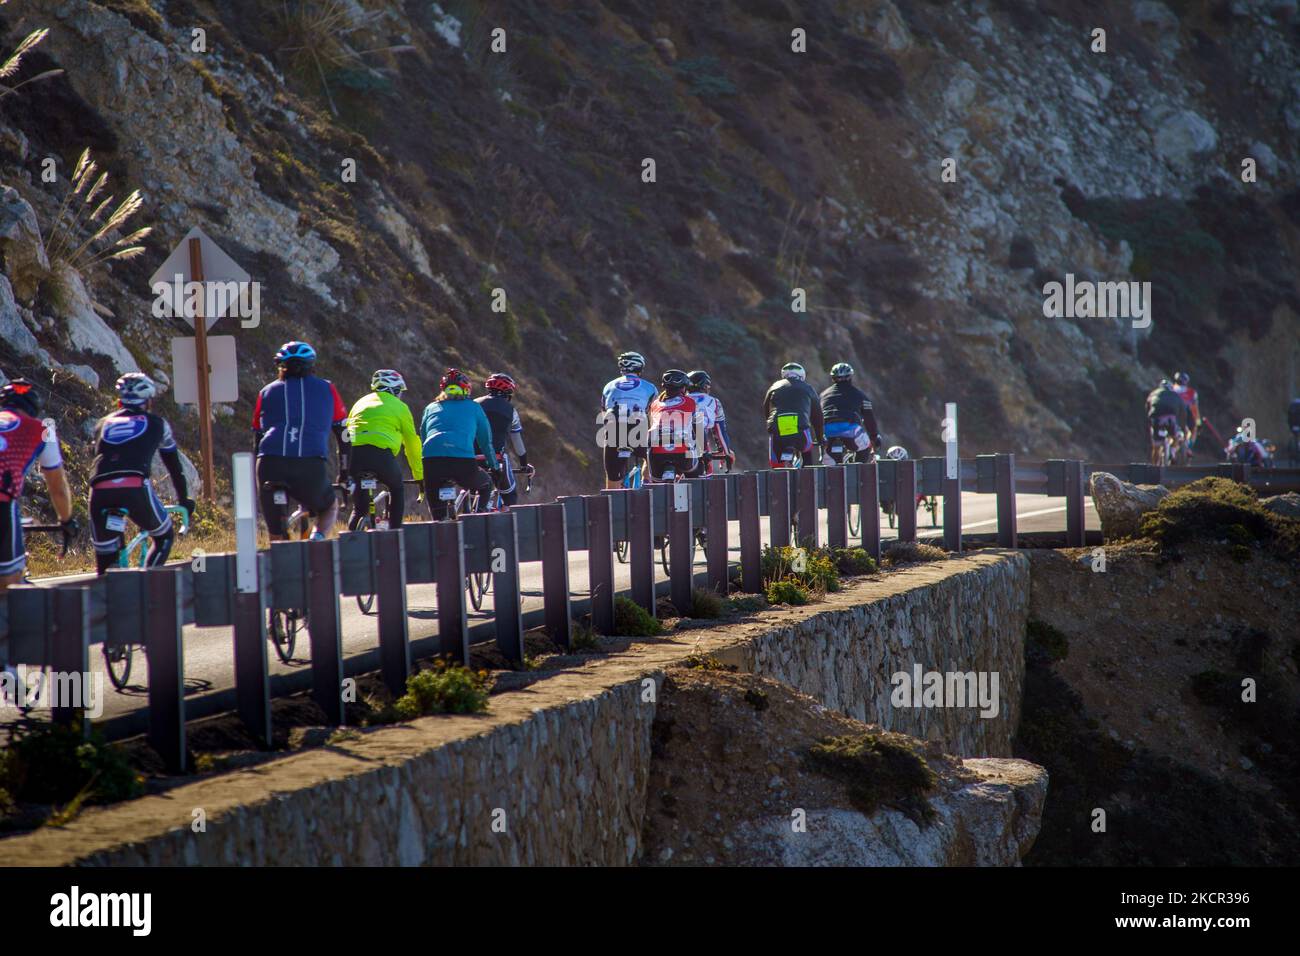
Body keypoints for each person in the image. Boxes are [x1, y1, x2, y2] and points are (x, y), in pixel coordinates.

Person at [88, 373, 195, 574]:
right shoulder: (158, 423)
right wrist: (184, 500)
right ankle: (148, 588)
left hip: (99, 491)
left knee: (105, 564)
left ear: (119, 401)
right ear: (148, 402)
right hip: (134, 488)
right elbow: (173, 465)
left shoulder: (101, 424)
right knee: (163, 535)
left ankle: (107, 598)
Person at [253, 341, 348, 541]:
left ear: (281, 366)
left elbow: (257, 436)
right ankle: (317, 540)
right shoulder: (327, 388)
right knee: (329, 506)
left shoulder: (266, 391)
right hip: (309, 463)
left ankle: (279, 551)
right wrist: (345, 472)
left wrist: (258, 479)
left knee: (277, 537)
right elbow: (343, 433)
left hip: (270, 462)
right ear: (311, 366)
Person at [0, 378, 77, 591]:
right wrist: (66, 520)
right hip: (3, 499)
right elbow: (58, 487)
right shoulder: (42, 429)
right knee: (10, 585)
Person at [420, 368, 505, 517]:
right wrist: (495, 467)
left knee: (437, 516)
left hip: (432, 459)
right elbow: (486, 442)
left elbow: (424, 436)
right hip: (462, 460)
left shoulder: (430, 407)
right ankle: (477, 520)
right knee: (486, 485)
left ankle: (438, 526)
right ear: (466, 390)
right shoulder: (474, 407)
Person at [345, 369, 423, 529]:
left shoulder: (359, 403)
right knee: (396, 488)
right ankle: (395, 532)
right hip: (380, 456)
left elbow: (346, 431)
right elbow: (412, 444)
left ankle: (350, 539)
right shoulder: (400, 407)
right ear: (395, 390)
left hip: (354, 456)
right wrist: (420, 476)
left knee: (359, 509)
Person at [599, 350, 658, 489]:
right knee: (653, 457)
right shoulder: (650, 387)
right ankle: (647, 482)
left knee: (612, 475)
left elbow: (603, 413)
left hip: (613, 429)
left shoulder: (608, 386)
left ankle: (612, 496)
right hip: (638, 428)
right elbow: (655, 416)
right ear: (640, 368)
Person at [475, 372, 533, 507]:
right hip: (496, 458)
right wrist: (524, 464)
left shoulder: (474, 404)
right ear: (508, 393)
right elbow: (517, 442)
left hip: (469, 456)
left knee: (474, 490)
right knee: (510, 495)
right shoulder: (510, 410)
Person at [763, 362, 823, 466]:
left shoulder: (774, 386)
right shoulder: (807, 388)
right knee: (806, 452)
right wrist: (820, 438)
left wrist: (771, 427)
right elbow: (817, 417)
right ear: (802, 376)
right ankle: (808, 475)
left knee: (777, 466)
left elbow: (766, 409)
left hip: (777, 430)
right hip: (799, 430)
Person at [819, 362, 882, 463]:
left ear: (833, 378)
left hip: (827, 430)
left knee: (827, 465)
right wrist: (874, 437)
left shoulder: (823, 395)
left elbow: (817, 416)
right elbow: (869, 419)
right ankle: (858, 471)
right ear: (851, 377)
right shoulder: (860, 395)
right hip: (850, 430)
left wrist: (819, 437)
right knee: (866, 447)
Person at [646, 369, 703, 480]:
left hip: (656, 453)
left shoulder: (654, 405)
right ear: (683, 388)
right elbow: (699, 430)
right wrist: (704, 452)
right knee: (696, 478)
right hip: (683, 453)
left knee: (658, 487)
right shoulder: (691, 402)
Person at [685, 370, 734, 475]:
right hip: (699, 444)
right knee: (705, 478)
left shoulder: (680, 399)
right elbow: (719, 432)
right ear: (704, 385)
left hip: (673, 443)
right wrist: (726, 452)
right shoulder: (713, 401)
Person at [1145, 378, 1187, 463]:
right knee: (1175, 437)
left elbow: (1147, 407)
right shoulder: (1175, 394)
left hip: (1156, 418)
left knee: (1156, 446)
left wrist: (1150, 421)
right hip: (1170, 417)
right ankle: (1172, 452)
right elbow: (1183, 411)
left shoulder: (1154, 393)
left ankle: (1154, 467)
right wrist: (1182, 426)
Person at [1171, 371, 1201, 449]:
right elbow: (1195, 409)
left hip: (1171, 413)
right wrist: (1198, 422)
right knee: (1194, 428)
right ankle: (1189, 447)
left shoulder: (1170, 389)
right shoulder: (1192, 392)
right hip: (1186, 414)